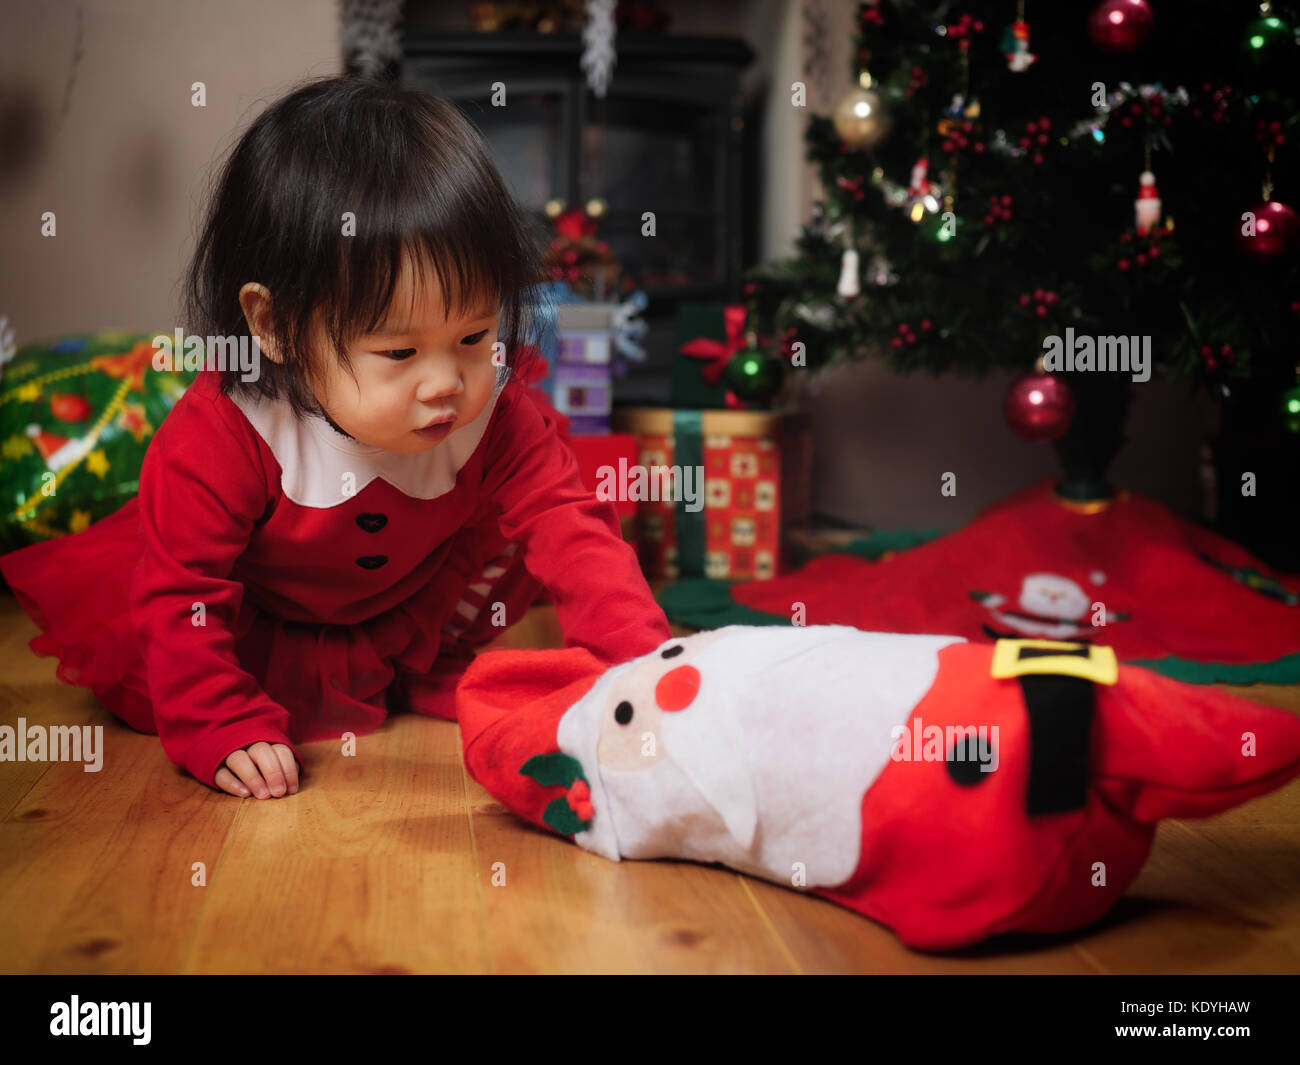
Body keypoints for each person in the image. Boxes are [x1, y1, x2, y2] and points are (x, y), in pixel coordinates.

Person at [0, 75, 671, 800]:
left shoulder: (494, 410)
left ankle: (418, 664)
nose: (447, 382)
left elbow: (574, 529)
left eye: (475, 334)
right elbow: (184, 591)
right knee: (153, 681)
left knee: (535, 527)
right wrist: (218, 720)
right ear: (275, 326)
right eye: (399, 352)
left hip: (399, 600)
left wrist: (646, 667)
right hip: (256, 617)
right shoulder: (227, 433)